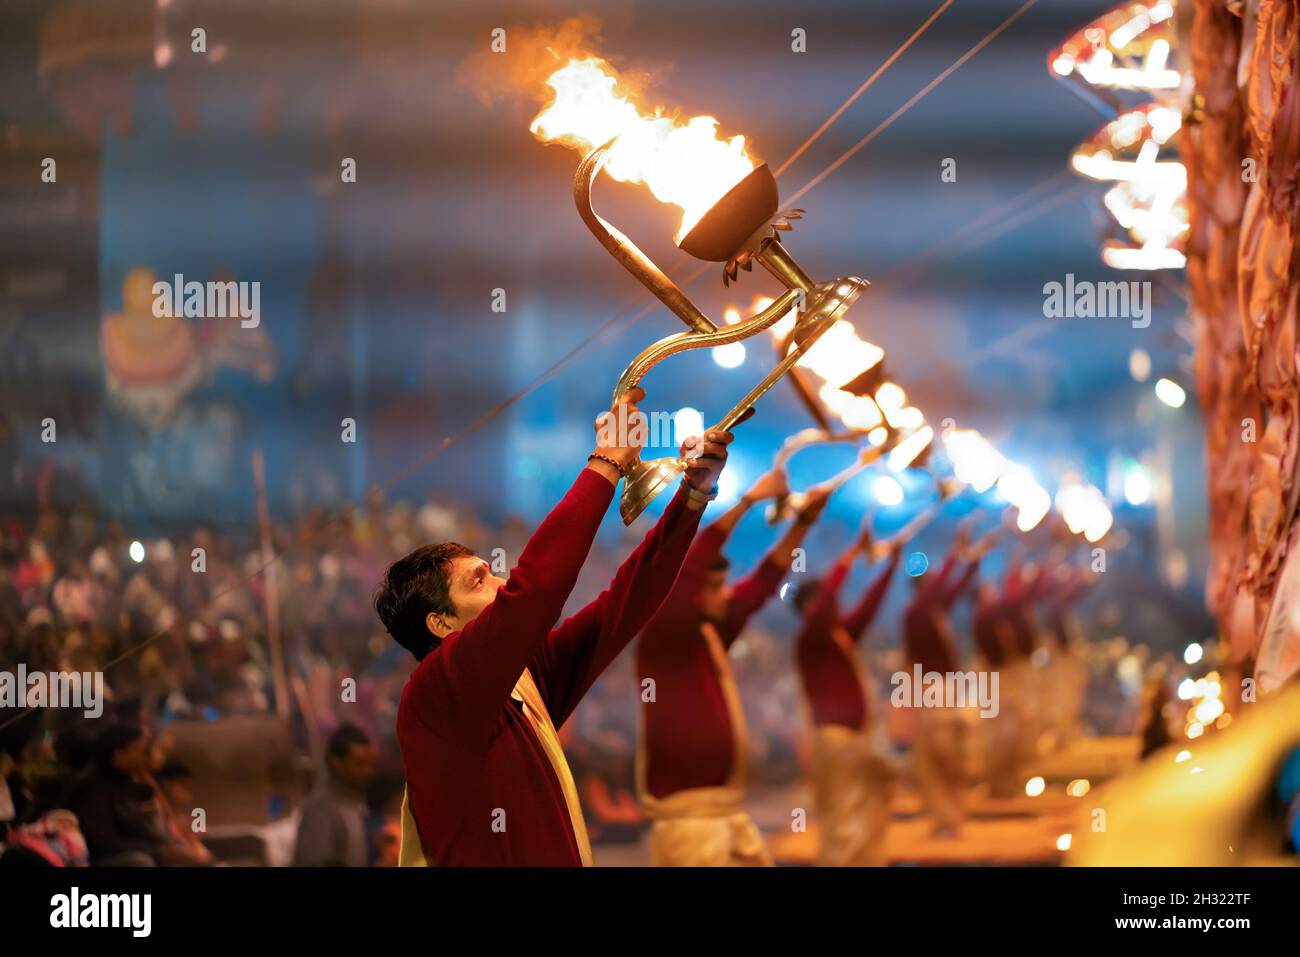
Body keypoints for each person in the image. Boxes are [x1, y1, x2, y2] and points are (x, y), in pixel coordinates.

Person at [376, 388, 732, 866]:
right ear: (441, 624)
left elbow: (625, 603)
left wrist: (692, 496)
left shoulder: (521, 682)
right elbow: (536, 591)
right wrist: (606, 463)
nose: (502, 585)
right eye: (479, 582)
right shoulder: (434, 695)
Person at [636, 468, 830, 866]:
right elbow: (690, 563)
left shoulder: (710, 630)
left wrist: (803, 524)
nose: (725, 594)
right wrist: (749, 499)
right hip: (689, 823)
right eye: (712, 587)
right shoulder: (664, 633)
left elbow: (762, 582)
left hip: (725, 813)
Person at [793, 526, 902, 866]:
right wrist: (851, 555)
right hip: (836, 742)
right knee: (842, 825)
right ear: (812, 608)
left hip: (858, 741)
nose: (837, 605)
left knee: (869, 814)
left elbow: (869, 607)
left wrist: (891, 567)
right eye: (828, 601)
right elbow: (828, 600)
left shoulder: (837, 636)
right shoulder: (812, 637)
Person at [901, 528, 981, 837]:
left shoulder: (934, 611)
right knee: (938, 756)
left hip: (946, 692)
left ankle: (952, 815)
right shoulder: (917, 613)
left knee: (953, 757)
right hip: (931, 692)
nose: (938, 585)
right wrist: (954, 552)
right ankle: (943, 816)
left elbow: (959, 585)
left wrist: (972, 559)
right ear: (922, 587)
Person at [293, 722, 377, 866]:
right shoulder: (320, 810)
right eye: (359, 764)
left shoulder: (353, 805)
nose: (367, 772)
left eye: (370, 765)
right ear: (337, 763)